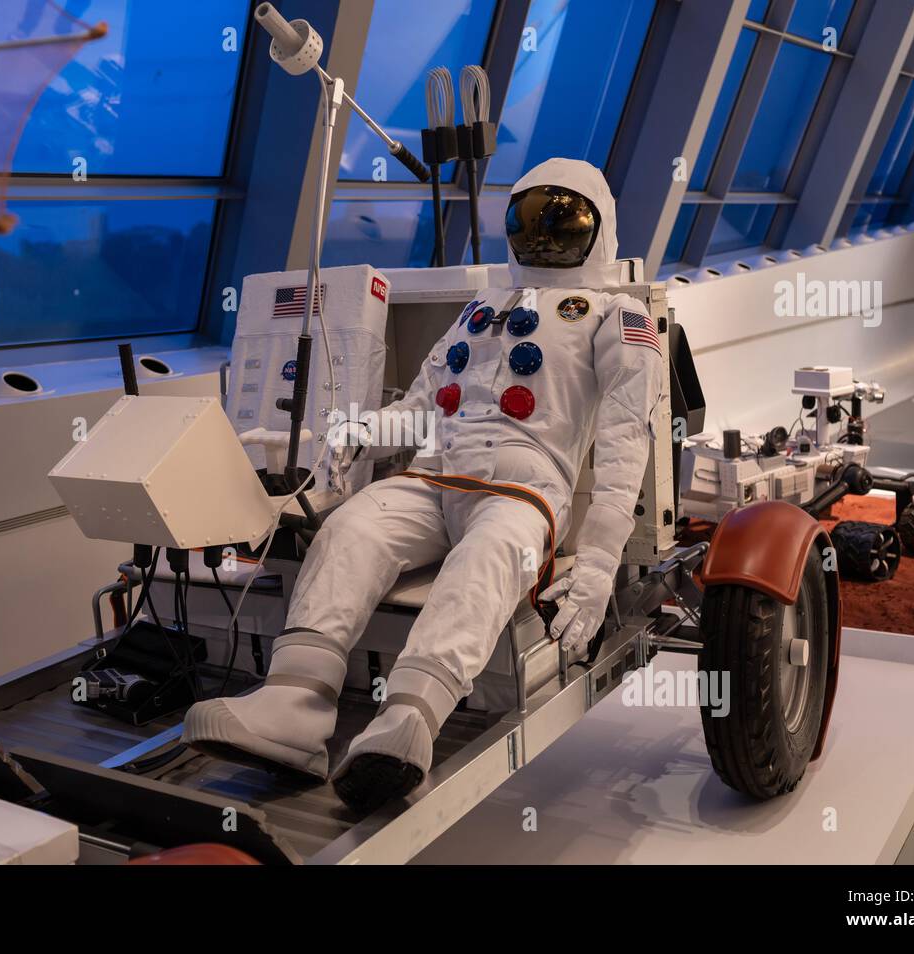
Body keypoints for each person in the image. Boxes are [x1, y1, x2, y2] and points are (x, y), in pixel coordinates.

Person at [184, 158, 665, 813]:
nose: (545, 237)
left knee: (486, 560)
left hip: (520, 497)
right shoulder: (482, 306)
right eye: (531, 220)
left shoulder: (616, 316)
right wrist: (358, 429)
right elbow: (423, 406)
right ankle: (295, 705)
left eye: (565, 220)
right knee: (350, 527)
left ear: (600, 231)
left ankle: (407, 720)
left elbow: (624, 435)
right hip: (432, 477)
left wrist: (603, 560)